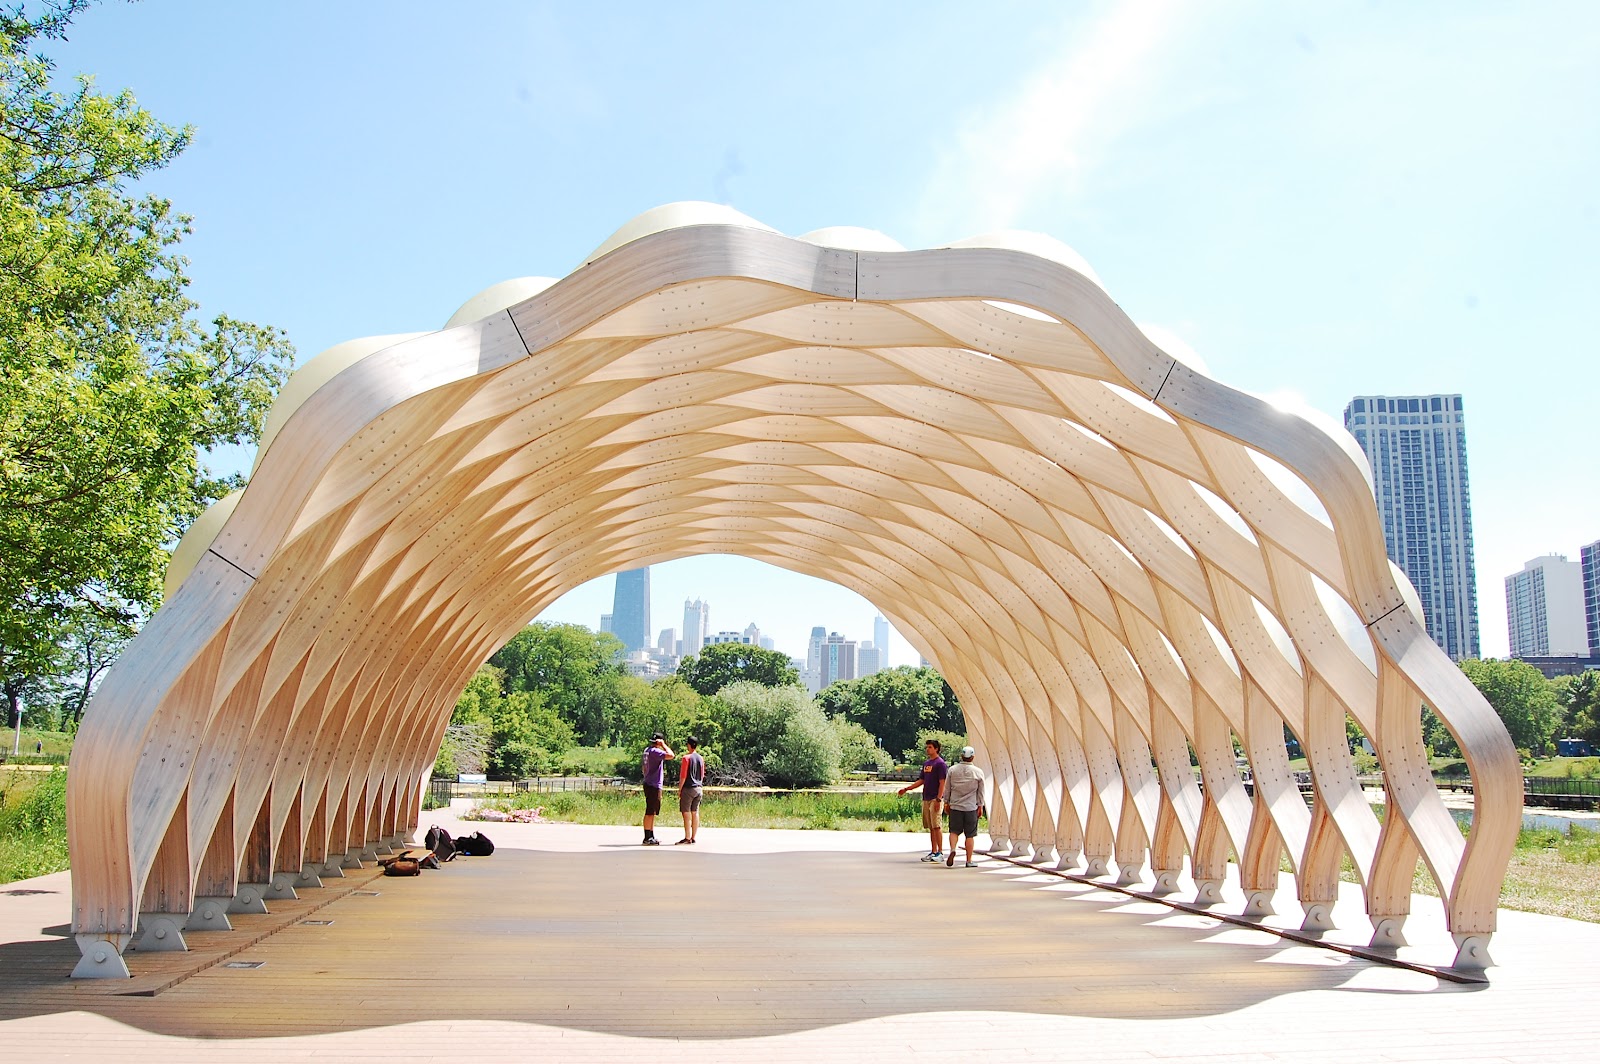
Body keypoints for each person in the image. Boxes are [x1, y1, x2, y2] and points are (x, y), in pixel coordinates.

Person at [898, 738, 947, 862]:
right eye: (927, 747)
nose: (927, 749)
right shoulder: (927, 764)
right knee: (931, 826)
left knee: (937, 826)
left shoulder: (940, 764)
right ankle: (933, 851)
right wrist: (907, 789)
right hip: (926, 798)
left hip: (935, 798)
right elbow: (922, 780)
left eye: (930, 747)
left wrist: (939, 799)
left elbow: (943, 783)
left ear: (936, 749)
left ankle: (940, 852)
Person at [943, 746, 986, 867]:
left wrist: (946, 802)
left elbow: (947, 788)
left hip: (955, 806)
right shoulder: (978, 772)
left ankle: (953, 849)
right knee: (970, 835)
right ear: (973, 757)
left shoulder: (952, 770)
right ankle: (969, 860)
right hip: (970, 807)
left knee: (954, 831)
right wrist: (980, 805)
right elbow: (981, 791)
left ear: (961, 756)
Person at [640, 732, 674, 845]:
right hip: (653, 784)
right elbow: (671, 755)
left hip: (648, 782)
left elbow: (643, 767)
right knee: (650, 811)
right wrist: (664, 745)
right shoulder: (655, 751)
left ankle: (650, 835)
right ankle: (647, 837)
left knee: (652, 811)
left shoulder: (647, 750)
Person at [675, 735, 706, 845]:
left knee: (686, 813)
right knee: (695, 812)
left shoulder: (686, 758)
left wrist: (680, 789)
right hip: (698, 788)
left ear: (688, 745)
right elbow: (702, 775)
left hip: (688, 788)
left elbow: (683, 776)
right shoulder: (701, 758)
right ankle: (693, 837)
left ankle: (687, 837)